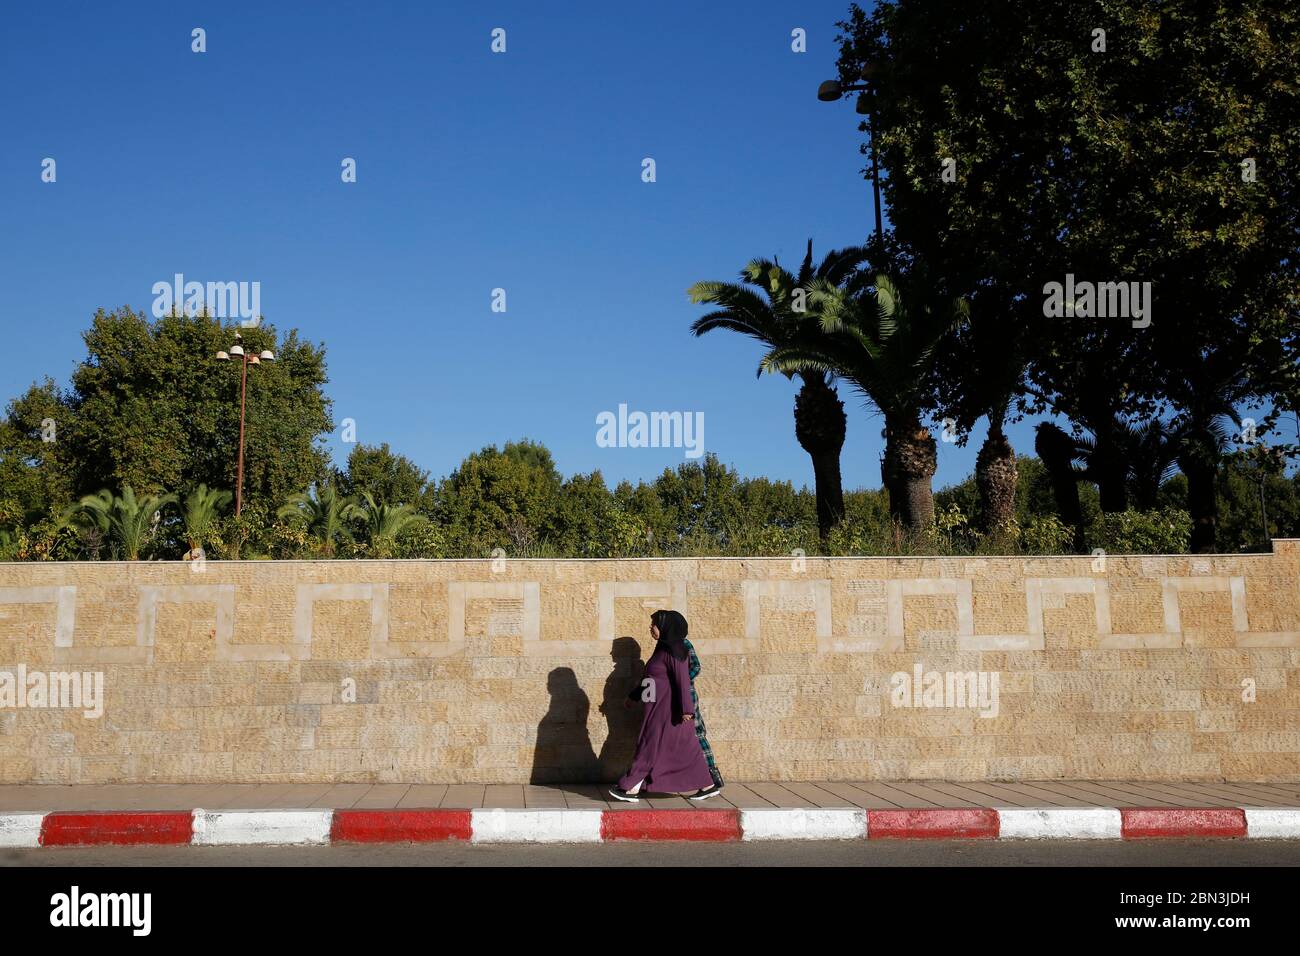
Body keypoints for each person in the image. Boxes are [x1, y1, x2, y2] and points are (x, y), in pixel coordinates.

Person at [609, 609, 716, 802]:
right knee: (683, 749)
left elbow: (683, 681)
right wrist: (634, 697)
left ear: (666, 627)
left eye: (654, 624)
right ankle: (707, 784)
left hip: (667, 710)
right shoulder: (662, 650)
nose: (651, 627)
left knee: (648, 745)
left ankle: (630, 786)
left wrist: (686, 710)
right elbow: (648, 679)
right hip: (655, 708)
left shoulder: (675, 651)